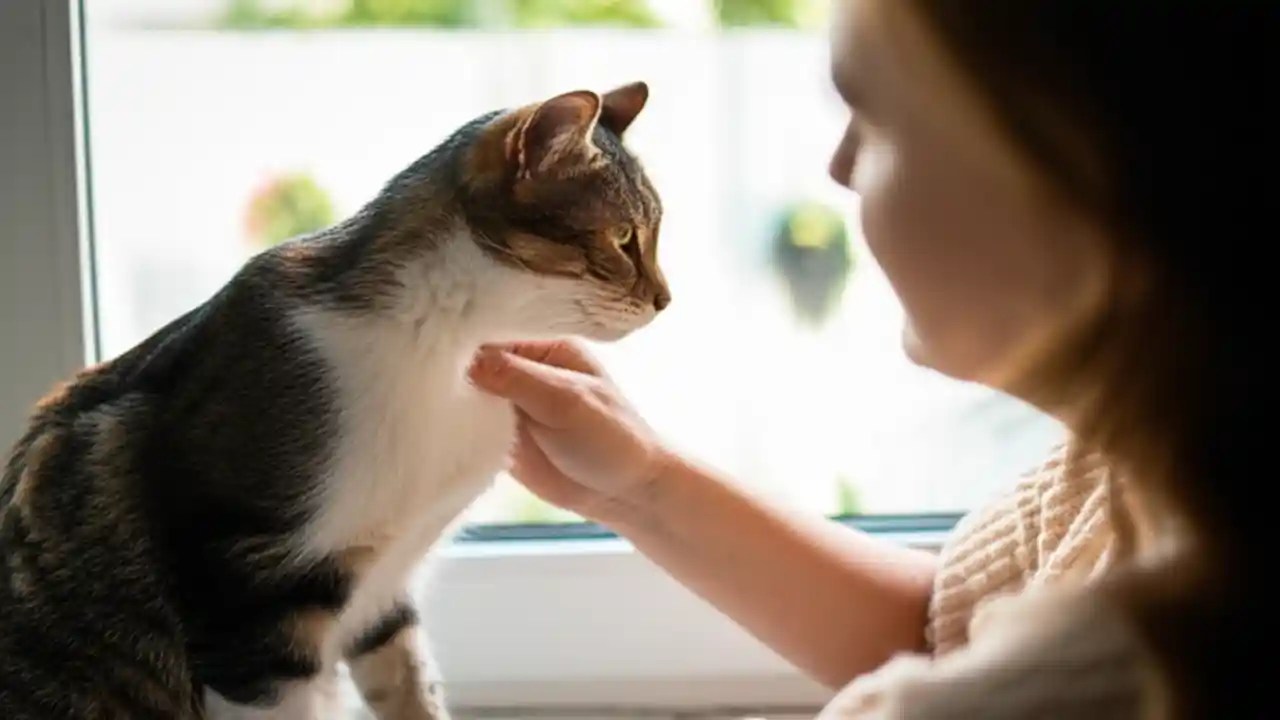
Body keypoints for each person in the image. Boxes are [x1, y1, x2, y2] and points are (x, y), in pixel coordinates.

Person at [469, 0, 1271, 716]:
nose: (840, 165)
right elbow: (944, 632)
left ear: (1086, 168)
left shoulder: (1127, 674)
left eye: (876, 117)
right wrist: (640, 483)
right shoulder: (1126, 476)